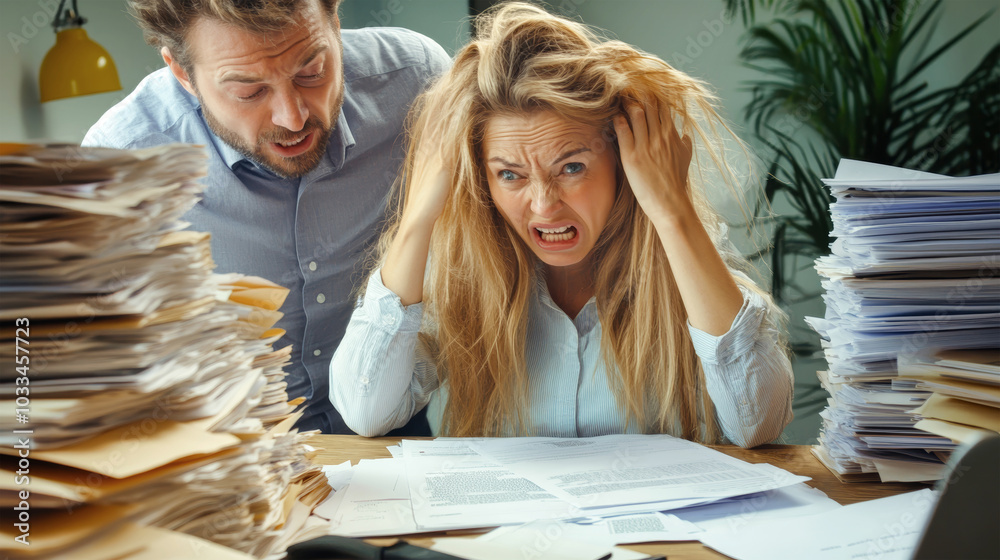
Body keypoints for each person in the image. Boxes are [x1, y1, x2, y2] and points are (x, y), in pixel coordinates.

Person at [329, 2, 794, 447]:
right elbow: (367, 411)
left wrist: (673, 212)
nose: (543, 205)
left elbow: (758, 421)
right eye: (510, 174)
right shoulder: (459, 271)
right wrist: (417, 217)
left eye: (571, 167)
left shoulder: (687, 253)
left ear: (622, 161)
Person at [82, 0, 451, 434]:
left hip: (397, 452)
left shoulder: (417, 83)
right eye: (248, 91)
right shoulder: (118, 167)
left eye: (311, 71)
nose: (292, 117)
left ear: (334, 22)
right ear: (182, 73)